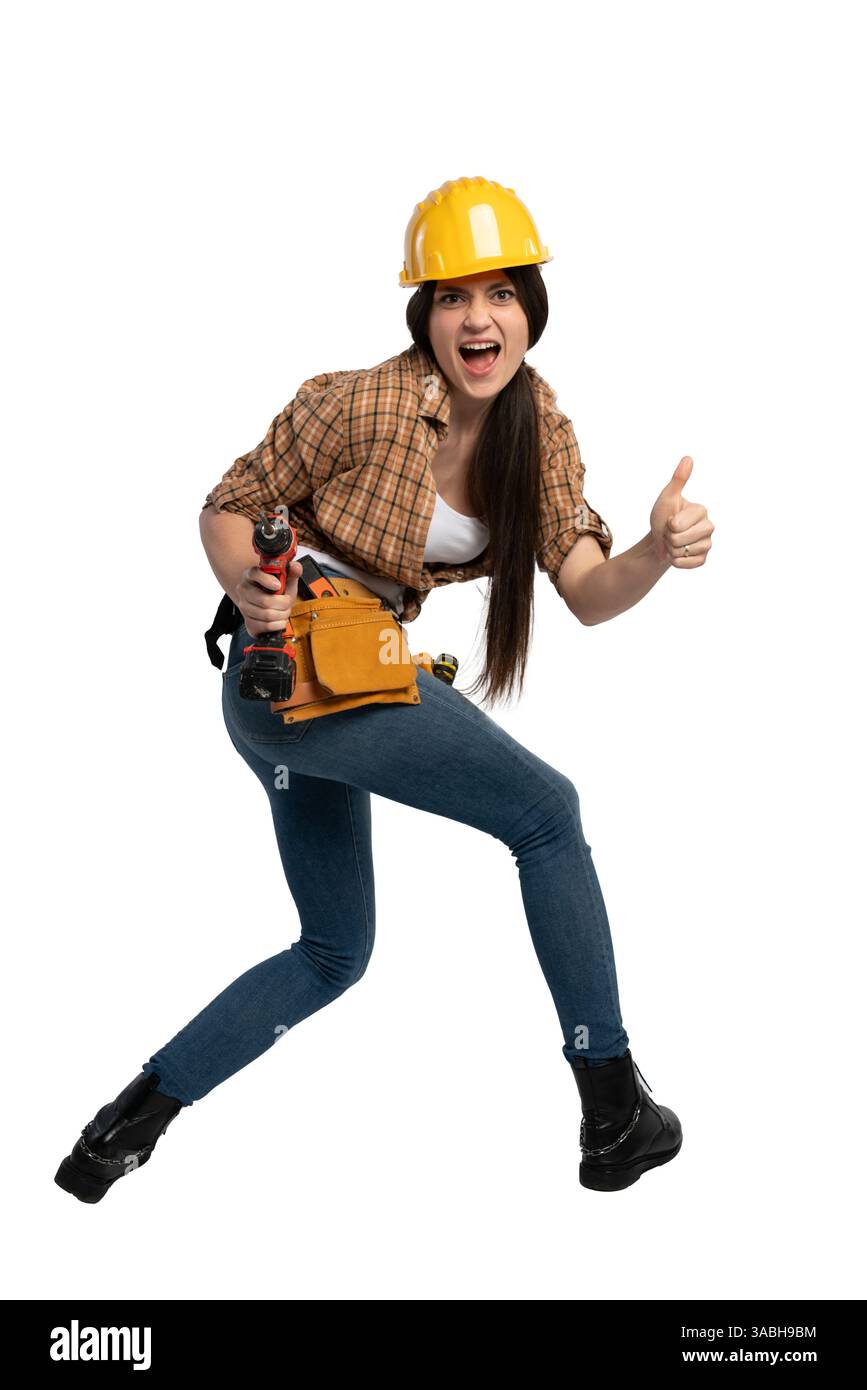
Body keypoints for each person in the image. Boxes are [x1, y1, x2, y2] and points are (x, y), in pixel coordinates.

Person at [56, 176, 714, 1203]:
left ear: (529, 308)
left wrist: (655, 553)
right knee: (548, 814)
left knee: (332, 951)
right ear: (426, 314)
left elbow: (586, 589)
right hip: (292, 664)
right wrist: (253, 591)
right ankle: (613, 1106)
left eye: (498, 292)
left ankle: (120, 1129)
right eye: (452, 296)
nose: (477, 316)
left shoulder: (539, 428)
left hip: (332, 690)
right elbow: (229, 507)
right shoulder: (358, 401)